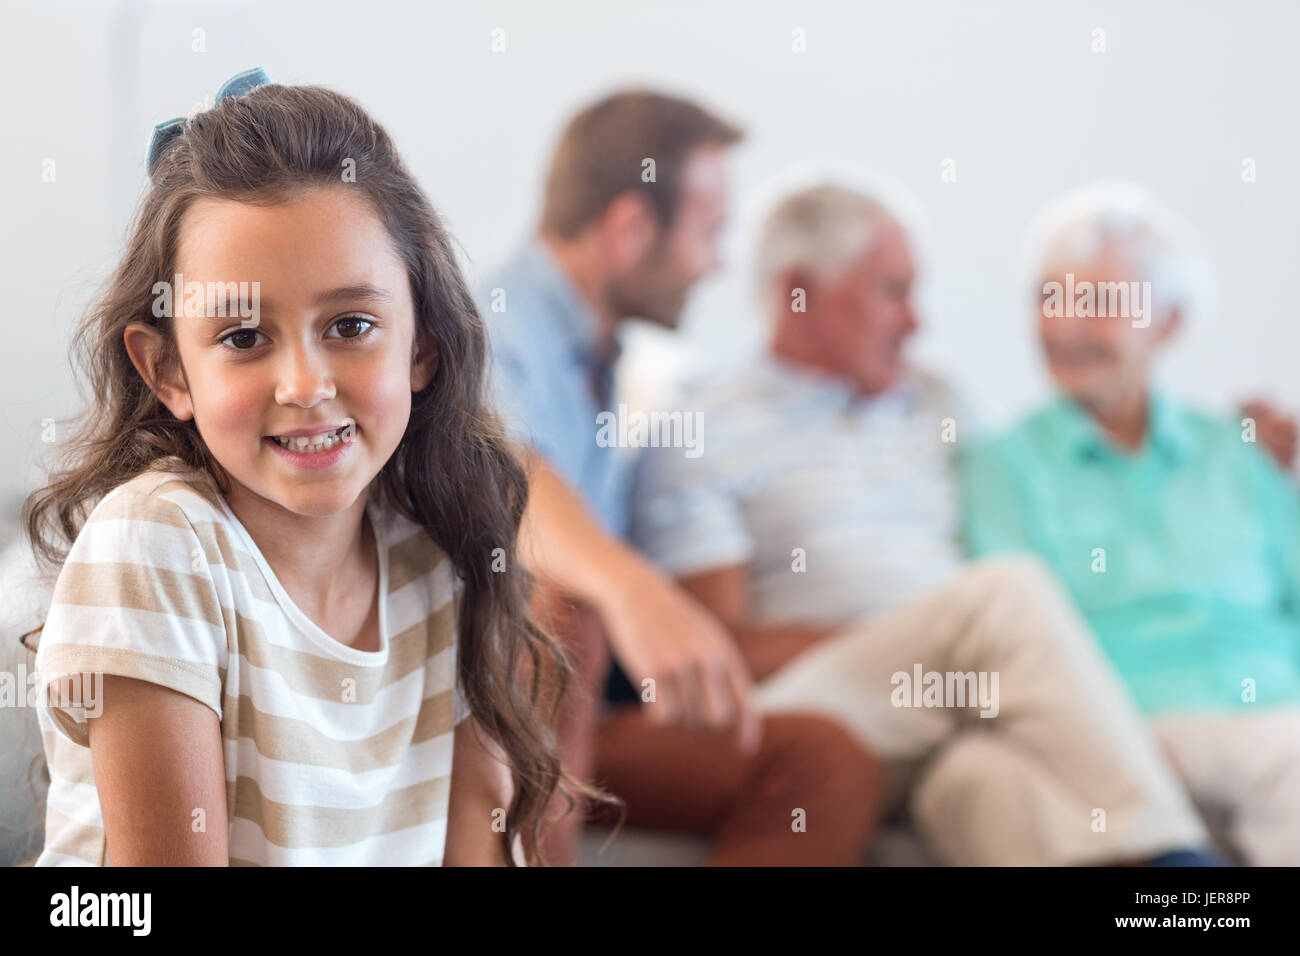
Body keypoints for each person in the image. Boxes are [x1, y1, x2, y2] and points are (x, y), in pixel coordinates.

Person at [21, 71, 595, 866]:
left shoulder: (443, 560)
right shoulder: (154, 545)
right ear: (170, 374)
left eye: (351, 324)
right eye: (245, 337)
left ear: (422, 346)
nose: (304, 386)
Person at [630, 177, 1221, 865]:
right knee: (1004, 595)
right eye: (892, 291)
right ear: (801, 290)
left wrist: (1231, 444)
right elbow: (714, 647)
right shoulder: (705, 426)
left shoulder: (934, 399)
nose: (917, 321)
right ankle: (1190, 868)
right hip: (816, 704)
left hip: (950, 713)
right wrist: (919, 642)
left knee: (979, 784)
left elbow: (1055, 470)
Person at [481, 92, 884, 865]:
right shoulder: (493, 327)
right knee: (569, 608)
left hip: (594, 700)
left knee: (823, 762)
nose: (719, 263)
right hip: (500, 680)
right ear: (633, 228)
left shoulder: (605, 358)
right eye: (709, 232)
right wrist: (631, 590)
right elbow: (502, 472)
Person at [960, 183, 1300, 865]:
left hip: (1273, 709)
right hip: (1125, 727)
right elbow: (1015, 641)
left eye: (1100, 304)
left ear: (1168, 323)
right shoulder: (1002, 467)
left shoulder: (1237, 450)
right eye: (1050, 300)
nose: (1066, 328)